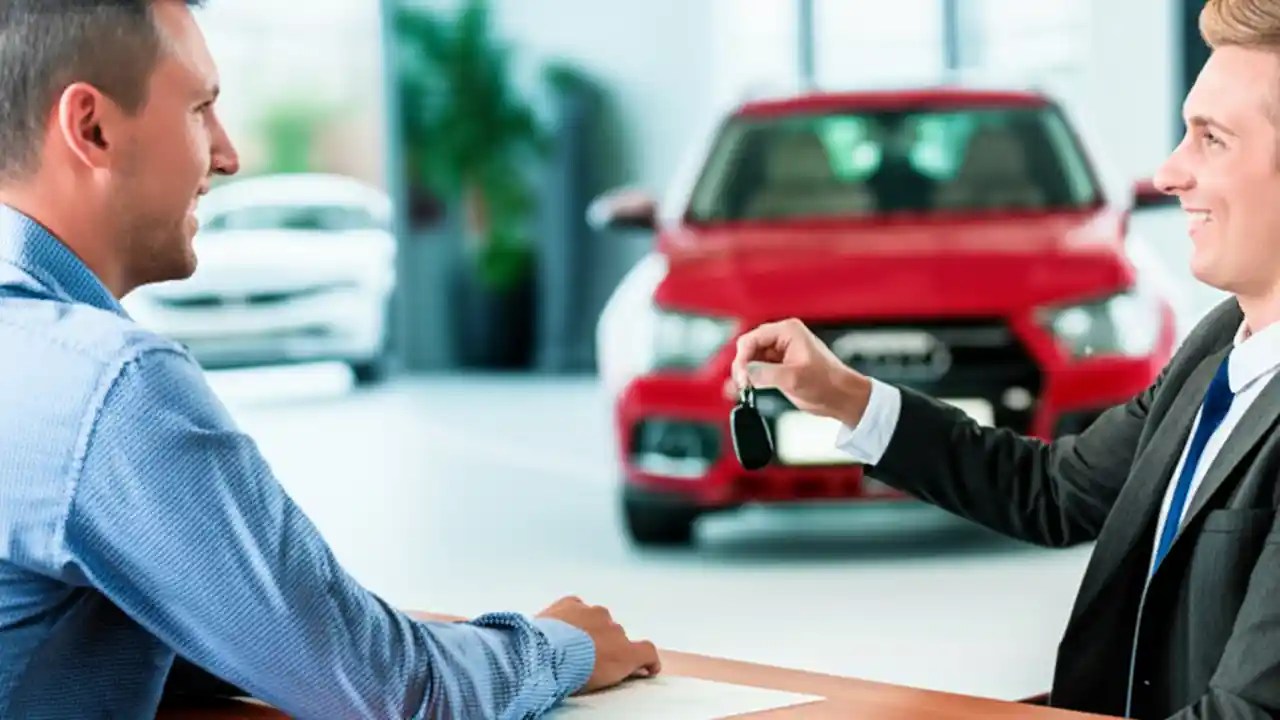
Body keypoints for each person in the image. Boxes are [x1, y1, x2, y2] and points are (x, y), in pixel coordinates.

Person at [0, 2, 659, 718]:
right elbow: (388, 692)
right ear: (91, 127)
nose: (227, 155)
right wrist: (558, 646)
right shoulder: (107, 388)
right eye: (200, 109)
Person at [731, 1, 1280, 717]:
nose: (1170, 172)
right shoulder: (1219, 344)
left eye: (1212, 140)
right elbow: (1054, 492)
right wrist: (846, 397)